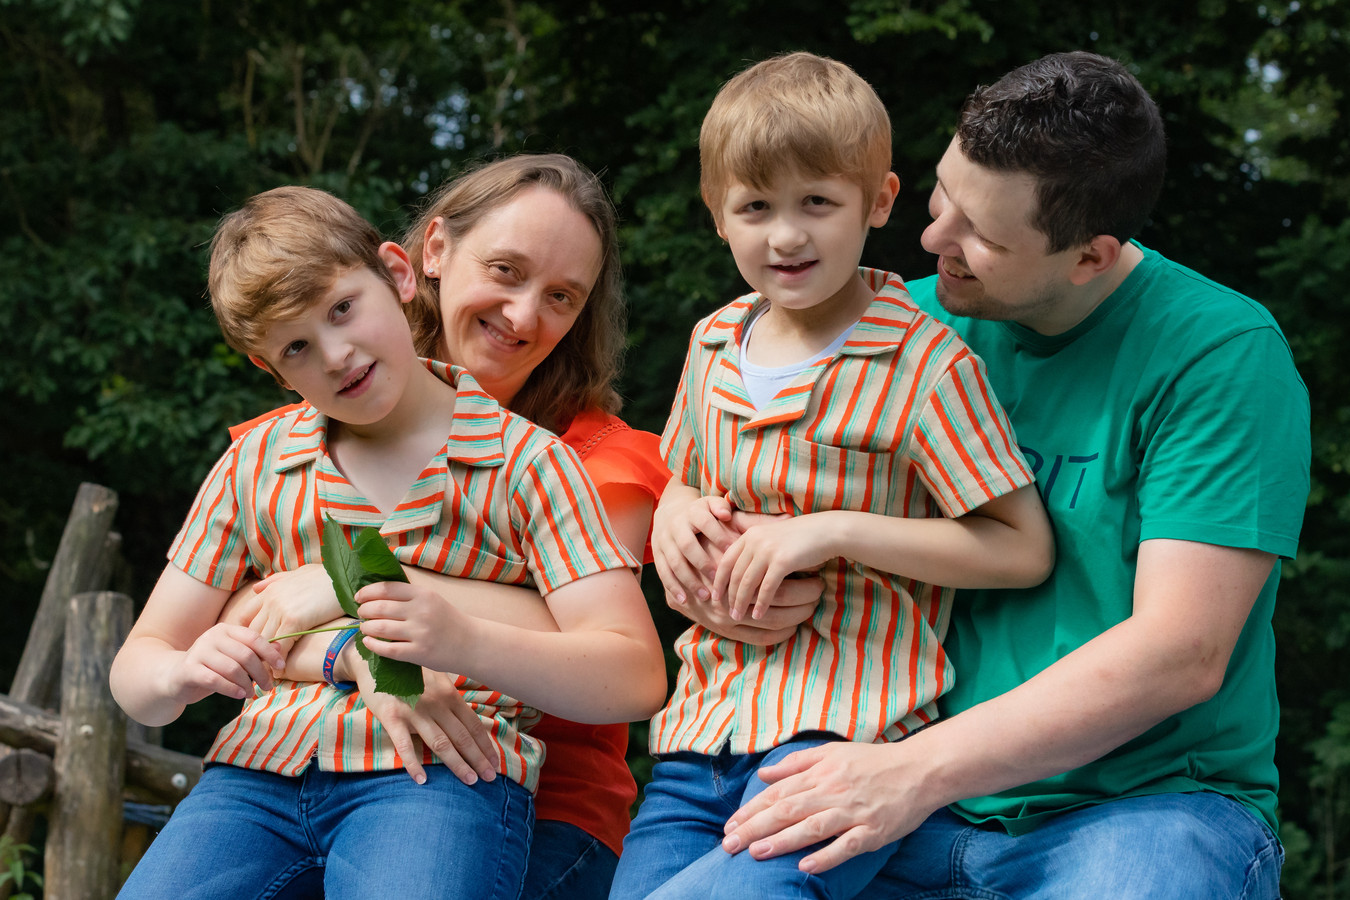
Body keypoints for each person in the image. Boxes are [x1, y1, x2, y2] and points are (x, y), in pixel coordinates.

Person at [711, 51, 1310, 899]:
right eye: (942, 197)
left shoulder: (1217, 355)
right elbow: (745, 485)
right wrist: (684, 529)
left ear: (1090, 257)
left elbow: (1181, 652)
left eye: (983, 238)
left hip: (1142, 810)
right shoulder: (902, 329)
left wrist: (913, 772)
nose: (931, 241)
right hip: (894, 787)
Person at [109, 184, 667, 899]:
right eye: (298, 346)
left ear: (399, 275)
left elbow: (634, 676)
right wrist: (179, 675)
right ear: (271, 370)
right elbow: (142, 666)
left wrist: (459, 638)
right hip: (257, 771)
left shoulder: (528, 463)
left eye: (344, 309)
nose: (338, 354)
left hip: (433, 769)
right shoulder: (258, 464)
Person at [610, 52, 1055, 900]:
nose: (787, 234)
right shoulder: (712, 346)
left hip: (842, 738)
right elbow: (685, 480)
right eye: (756, 207)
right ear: (716, 215)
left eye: (818, 202)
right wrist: (672, 513)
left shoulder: (924, 365)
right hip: (700, 733)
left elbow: (1020, 548)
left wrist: (834, 529)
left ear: (879, 202)